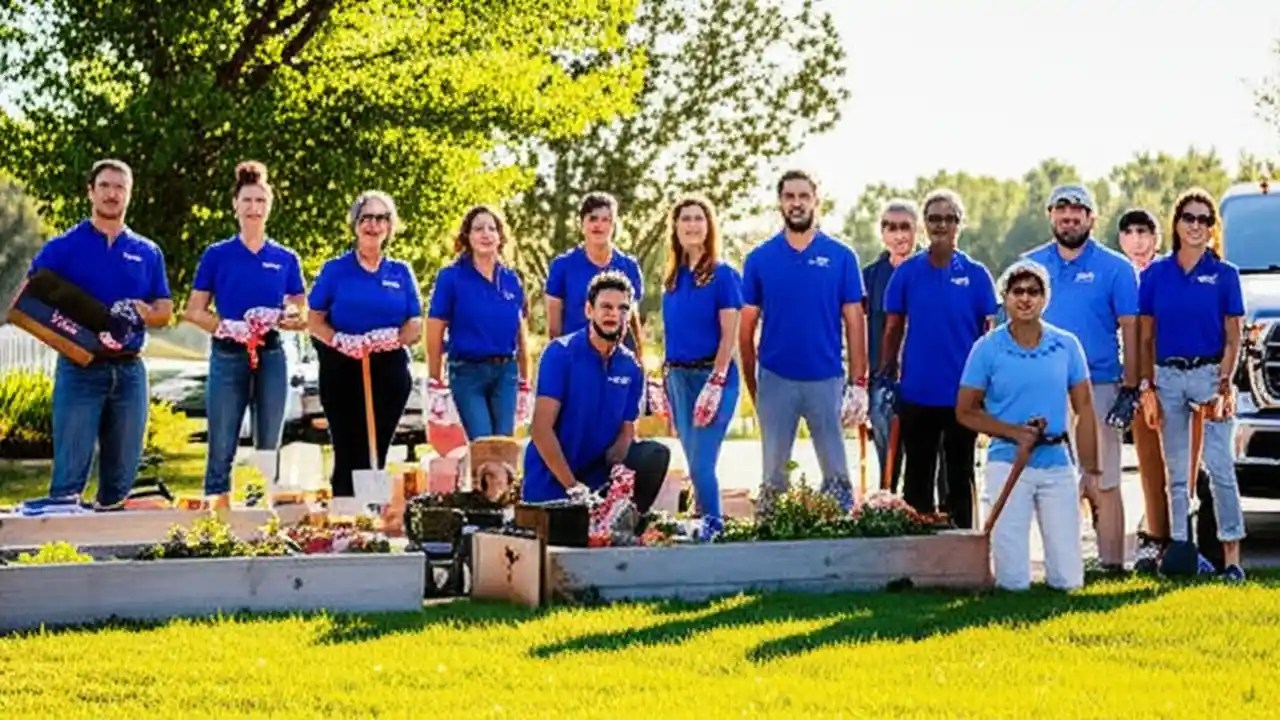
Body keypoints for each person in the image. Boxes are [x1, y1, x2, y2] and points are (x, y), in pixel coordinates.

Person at [27, 158, 172, 511]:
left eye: (120, 187)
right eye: (105, 186)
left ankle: (113, 558)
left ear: (129, 195)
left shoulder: (147, 252)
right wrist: (70, 335)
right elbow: (30, 299)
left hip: (130, 372)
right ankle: (61, 554)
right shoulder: (64, 247)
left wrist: (145, 312)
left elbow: (165, 310)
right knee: (68, 482)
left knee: (121, 481)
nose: (112, 194)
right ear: (90, 191)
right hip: (80, 371)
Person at [957, 259, 1099, 591]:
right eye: (1017, 291)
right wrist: (1013, 432)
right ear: (1005, 297)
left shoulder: (1066, 345)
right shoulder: (987, 348)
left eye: (1033, 292)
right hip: (1007, 463)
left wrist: (1090, 472)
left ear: (1045, 298)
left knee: (1069, 579)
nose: (1025, 299)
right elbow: (965, 411)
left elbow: (1085, 407)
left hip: (1056, 463)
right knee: (1013, 580)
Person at [1023, 184, 1139, 573]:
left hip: (1100, 386)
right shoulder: (1031, 265)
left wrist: (1132, 386)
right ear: (1051, 216)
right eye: (1062, 211)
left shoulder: (1115, 268)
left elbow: (1131, 328)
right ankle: (1062, 564)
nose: (1069, 218)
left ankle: (1112, 564)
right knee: (1052, 480)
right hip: (1043, 388)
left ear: (1091, 218)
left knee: (1105, 478)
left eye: (1077, 212)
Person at [739, 169, 868, 514]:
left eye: (803, 196)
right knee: (774, 476)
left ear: (816, 201)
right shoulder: (759, 259)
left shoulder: (841, 257)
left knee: (837, 476)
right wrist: (754, 384)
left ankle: (841, 547)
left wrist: (859, 383)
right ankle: (769, 543)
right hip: (776, 379)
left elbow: (855, 322)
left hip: (826, 378)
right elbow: (746, 327)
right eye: (789, 197)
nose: (796, 204)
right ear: (780, 202)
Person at [1138, 188, 1246, 582]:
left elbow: (1233, 337)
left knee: (1220, 468)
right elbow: (1146, 336)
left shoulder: (1224, 275)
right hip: (1167, 377)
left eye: (1204, 219)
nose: (1196, 225)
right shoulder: (1155, 275)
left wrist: (1224, 382)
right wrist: (1146, 385)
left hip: (1209, 376)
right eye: (1189, 218)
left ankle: (1232, 558)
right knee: (1177, 474)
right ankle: (1184, 554)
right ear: (1177, 224)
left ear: (1213, 228)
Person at [183, 161, 307, 503]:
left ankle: (261, 509)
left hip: (270, 353)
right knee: (223, 437)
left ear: (269, 207)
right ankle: (216, 514)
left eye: (261, 201)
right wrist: (225, 326)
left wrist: (284, 315)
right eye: (248, 201)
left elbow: (301, 311)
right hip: (228, 354)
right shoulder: (217, 255)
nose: (254, 208)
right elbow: (193, 310)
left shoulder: (285, 258)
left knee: (269, 439)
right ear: (235, 205)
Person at [878, 188, 997, 528]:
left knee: (959, 473)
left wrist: (988, 385)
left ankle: (962, 544)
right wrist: (885, 374)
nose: (941, 225)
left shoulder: (976, 275)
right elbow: (892, 329)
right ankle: (917, 548)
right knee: (917, 475)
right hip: (917, 391)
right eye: (934, 218)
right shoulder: (907, 273)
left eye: (949, 218)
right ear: (925, 225)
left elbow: (988, 335)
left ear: (960, 224)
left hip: (964, 393)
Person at [522, 271, 672, 511]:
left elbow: (627, 429)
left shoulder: (631, 366)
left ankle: (622, 520)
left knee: (654, 454)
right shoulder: (560, 354)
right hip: (552, 487)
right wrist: (573, 488)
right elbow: (540, 429)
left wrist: (618, 470)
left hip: (597, 483)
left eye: (622, 308)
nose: (614, 314)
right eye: (606, 307)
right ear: (589, 310)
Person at [307, 191, 423, 501]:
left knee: (377, 445)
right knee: (348, 444)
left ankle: (373, 509)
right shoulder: (335, 269)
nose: (373, 225)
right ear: (356, 224)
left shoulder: (400, 272)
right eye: (366, 218)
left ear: (390, 226)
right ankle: (346, 513)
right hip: (342, 366)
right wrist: (339, 339)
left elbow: (415, 324)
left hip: (389, 368)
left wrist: (394, 339)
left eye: (381, 218)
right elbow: (314, 319)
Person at [660, 195, 743, 541]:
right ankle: (703, 522)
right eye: (685, 220)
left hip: (715, 377)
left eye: (699, 219)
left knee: (702, 463)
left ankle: (715, 530)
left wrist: (716, 381)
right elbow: (673, 334)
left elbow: (730, 336)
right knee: (693, 462)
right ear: (676, 228)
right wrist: (664, 383)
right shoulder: (672, 279)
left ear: (709, 227)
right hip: (679, 379)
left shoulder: (723, 276)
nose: (692, 225)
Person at [425, 205, 530, 439]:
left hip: (505, 374)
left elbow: (521, 335)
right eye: (478, 229)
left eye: (492, 229)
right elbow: (434, 329)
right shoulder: (451, 277)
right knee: (483, 443)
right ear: (467, 236)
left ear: (500, 237)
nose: (485, 234)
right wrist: (435, 380)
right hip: (467, 372)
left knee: (504, 445)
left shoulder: (511, 280)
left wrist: (525, 381)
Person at [1116, 207, 1172, 572]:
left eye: (1144, 232)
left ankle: (1175, 536)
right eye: (1130, 233)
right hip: (1129, 381)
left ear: (1157, 238)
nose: (1138, 241)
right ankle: (1153, 535)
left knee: (1175, 464)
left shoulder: (1167, 274)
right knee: (1146, 465)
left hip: (1168, 377)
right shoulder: (1117, 275)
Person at [545, 192, 646, 360]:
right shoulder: (562, 266)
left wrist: (639, 362)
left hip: (617, 361)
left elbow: (632, 323)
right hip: (576, 358)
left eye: (606, 220)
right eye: (593, 218)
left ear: (613, 225)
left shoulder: (629, 266)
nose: (599, 225)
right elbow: (554, 329)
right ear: (582, 224)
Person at [863, 198, 917, 493]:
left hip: (922, 377)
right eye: (891, 227)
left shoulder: (930, 270)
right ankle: (888, 506)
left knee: (925, 455)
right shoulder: (870, 277)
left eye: (905, 227)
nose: (898, 235)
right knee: (888, 456)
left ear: (916, 230)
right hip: (881, 378)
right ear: (882, 233)